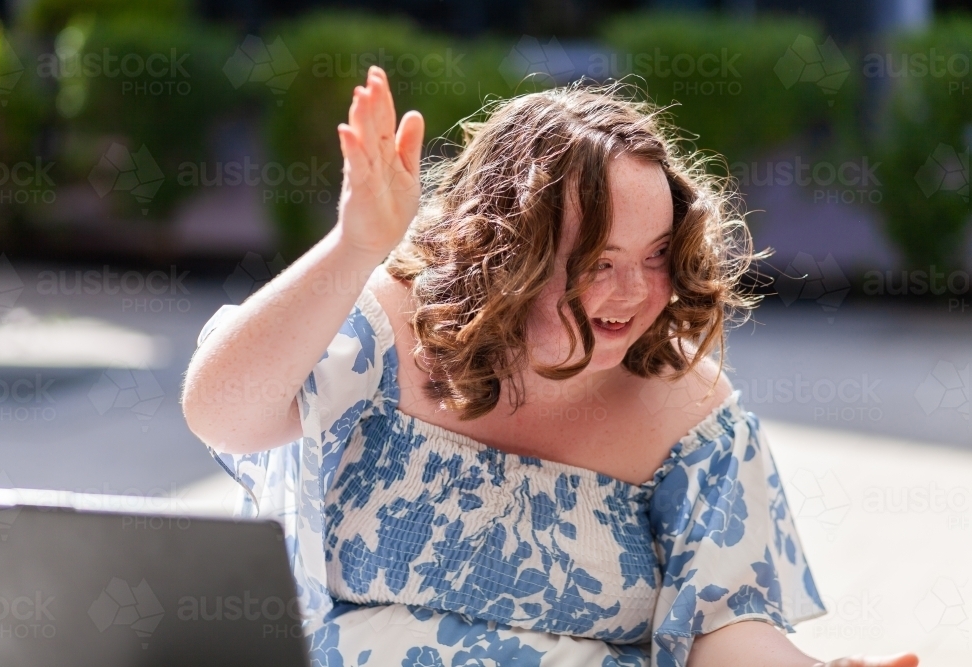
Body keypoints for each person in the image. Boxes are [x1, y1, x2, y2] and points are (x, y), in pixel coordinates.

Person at [181, 65, 920, 667]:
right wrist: (353, 245)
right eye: (598, 261)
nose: (633, 293)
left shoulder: (691, 413)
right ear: (509, 257)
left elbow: (722, 625)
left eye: (656, 256)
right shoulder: (384, 333)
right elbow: (221, 410)